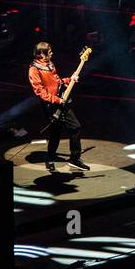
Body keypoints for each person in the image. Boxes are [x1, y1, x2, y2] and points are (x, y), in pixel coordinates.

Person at [27, 42, 87, 172]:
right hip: (51, 105)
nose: (51, 53)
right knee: (55, 132)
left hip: (61, 100)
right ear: (41, 54)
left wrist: (69, 79)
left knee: (75, 127)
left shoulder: (50, 64)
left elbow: (57, 82)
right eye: (49, 51)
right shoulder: (34, 69)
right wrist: (57, 100)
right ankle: (50, 158)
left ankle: (75, 159)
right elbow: (40, 92)